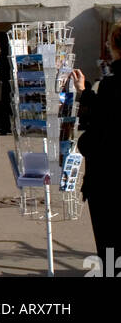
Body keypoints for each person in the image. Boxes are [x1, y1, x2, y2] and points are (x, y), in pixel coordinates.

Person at [72, 22, 121, 267]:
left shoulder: (112, 85)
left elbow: (99, 130)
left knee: (110, 245)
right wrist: (86, 92)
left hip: (109, 180)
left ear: (114, 48)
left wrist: (83, 144)